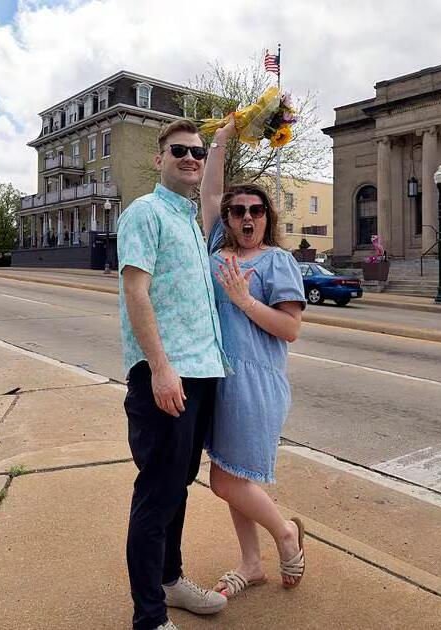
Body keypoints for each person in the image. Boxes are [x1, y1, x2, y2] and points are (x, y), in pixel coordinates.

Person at [118, 119, 229, 630]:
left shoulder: (189, 218)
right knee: (158, 491)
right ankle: (150, 617)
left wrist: (224, 138)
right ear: (159, 159)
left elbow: (215, 191)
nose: (190, 158)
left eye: (197, 152)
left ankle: (170, 580)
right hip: (165, 374)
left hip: (203, 373)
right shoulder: (145, 213)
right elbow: (136, 292)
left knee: (179, 485)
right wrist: (161, 369)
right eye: (179, 151)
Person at [200, 118, 307, 598]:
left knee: (225, 479)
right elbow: (209, 194)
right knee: (232, 472)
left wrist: (246, 302)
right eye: (238, 211)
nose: (247, 218)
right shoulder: (215, 252)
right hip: (215, 379)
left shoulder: (276, 261)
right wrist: (221, 141)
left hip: (255, 383)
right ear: (227, 218)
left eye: (256, 211)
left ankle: (285, 534)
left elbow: (290, 329)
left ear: (267, 217)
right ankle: (250, 563)